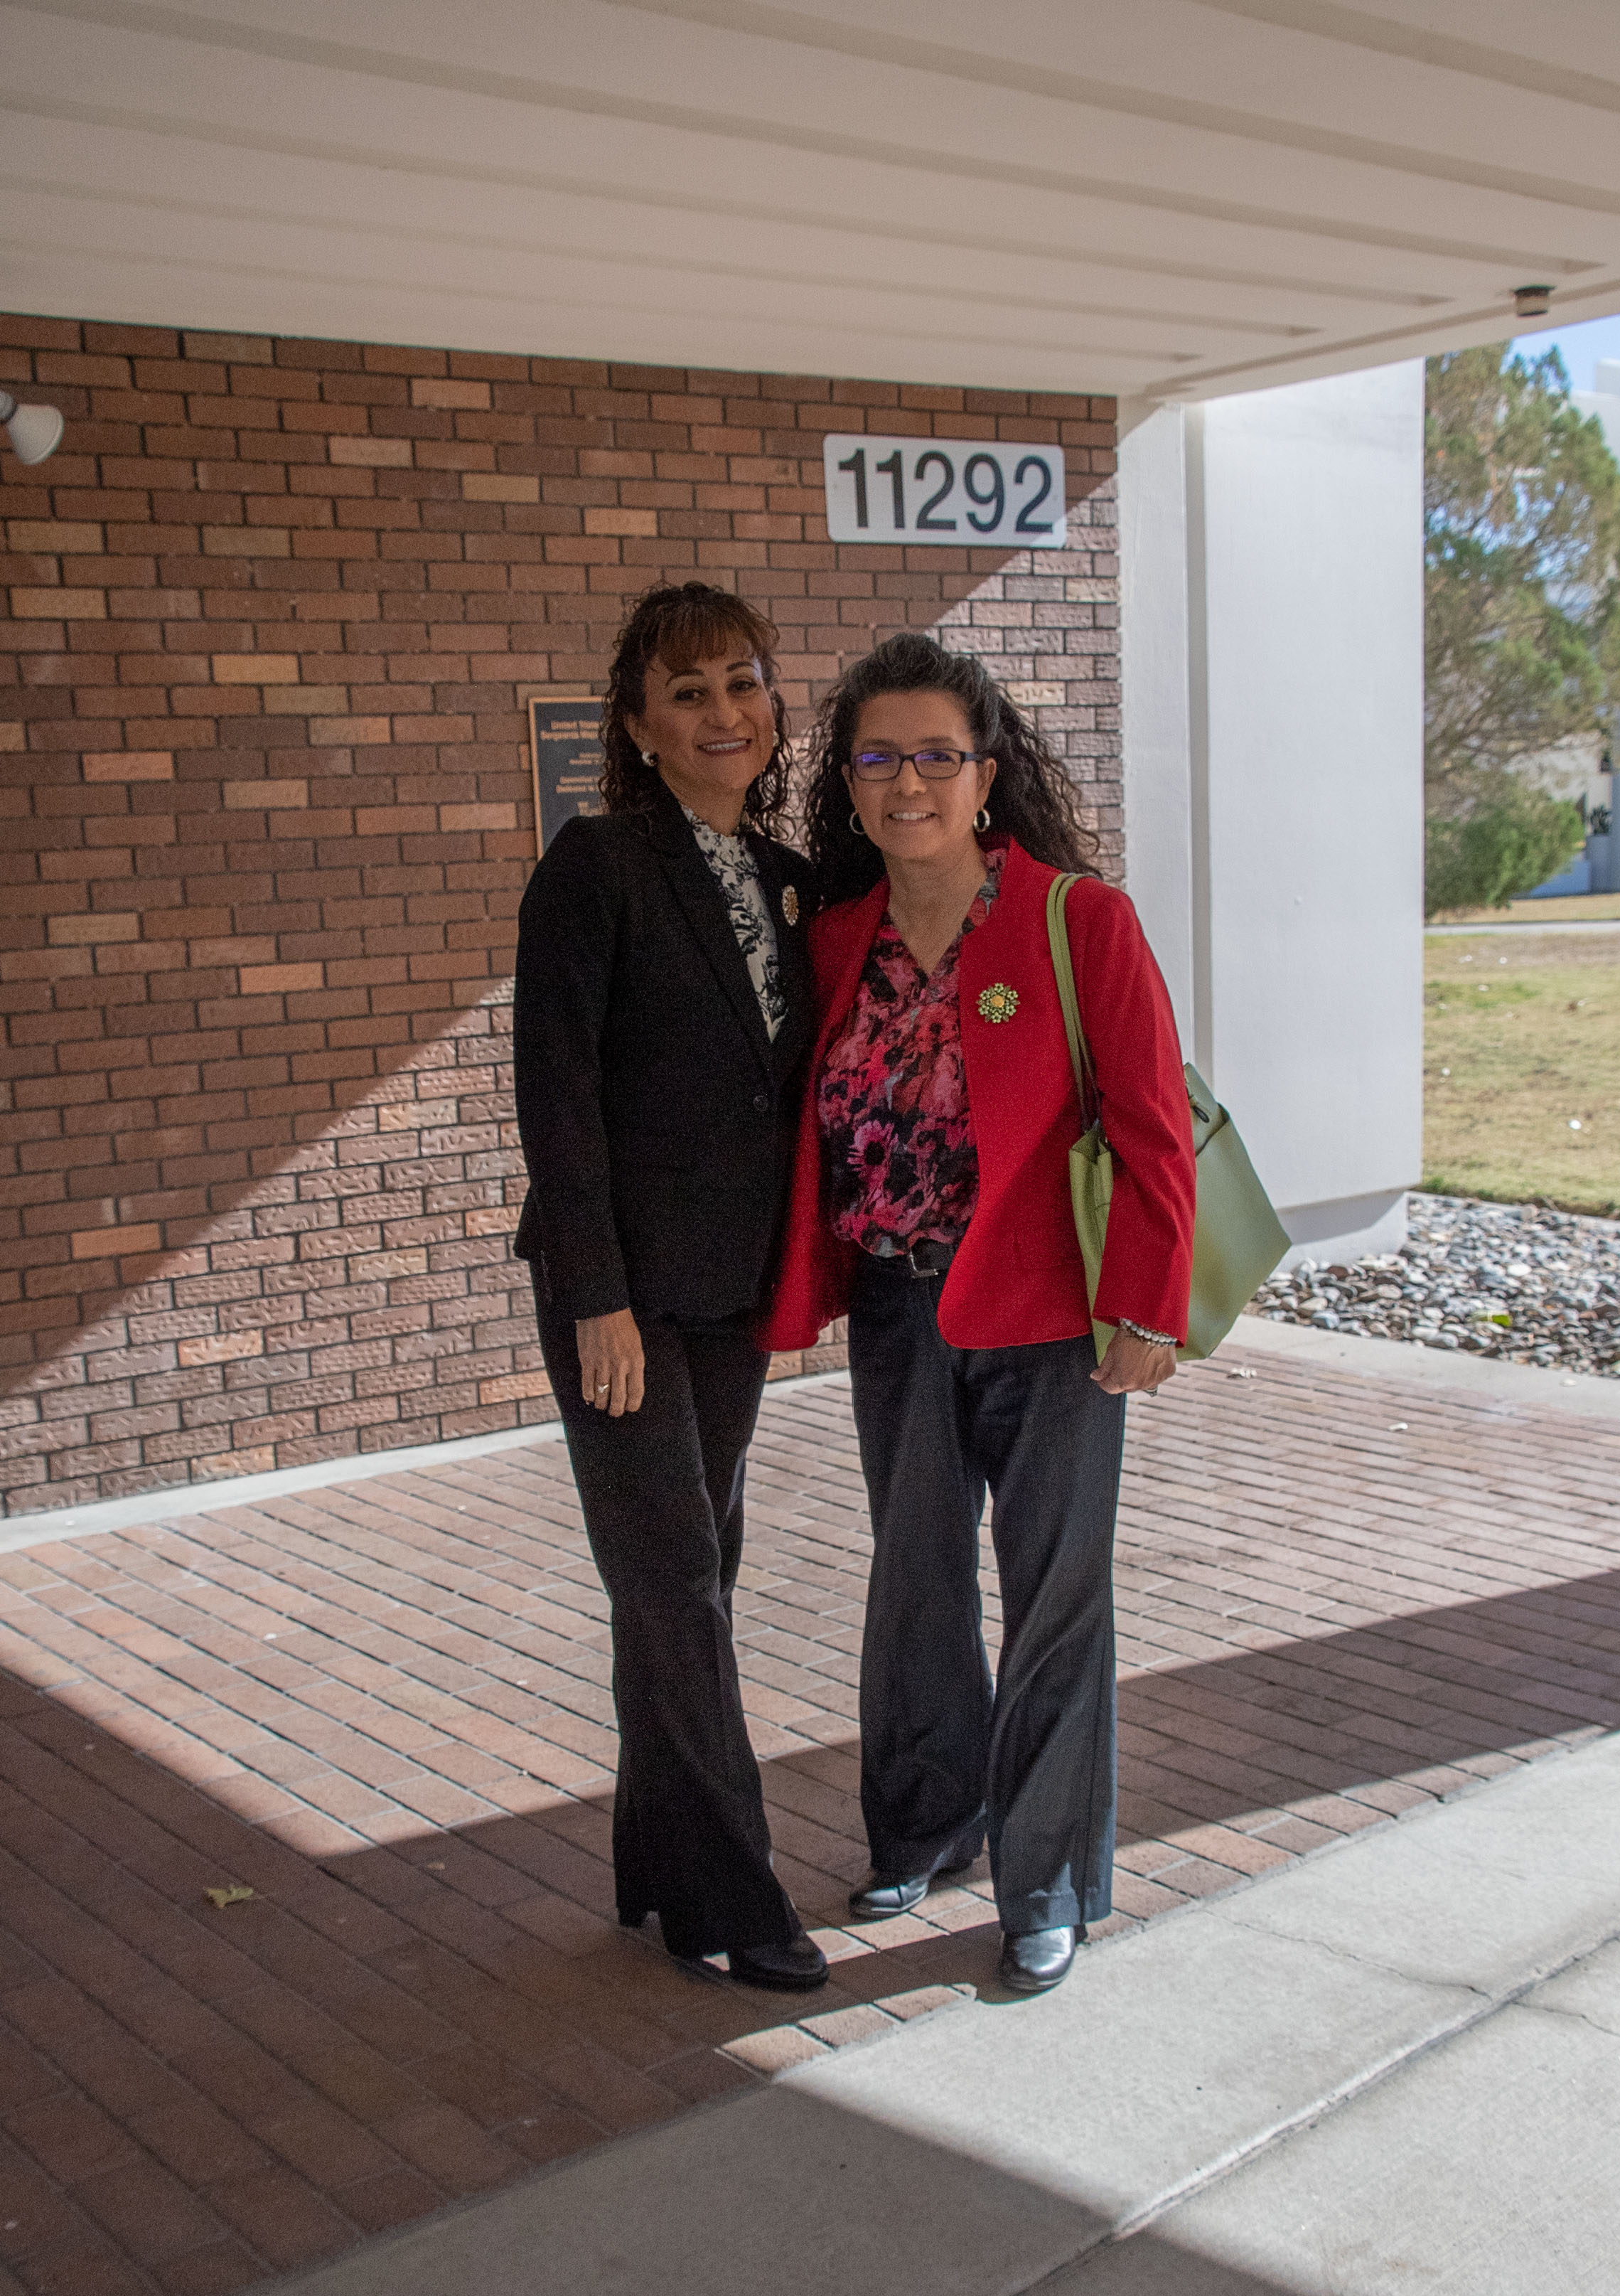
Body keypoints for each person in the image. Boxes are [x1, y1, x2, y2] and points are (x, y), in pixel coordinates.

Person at [762, 632, 1196, 1995]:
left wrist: (1149, 1304)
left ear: (986, 774)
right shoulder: (834, 940)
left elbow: (1154, 1130)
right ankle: (927, 1824)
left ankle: (1050, 1880)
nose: (907, 784)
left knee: (1056, 1597)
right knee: (916, 1581)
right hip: (900, 1313)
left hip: (1054, 1319)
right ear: (849, 781)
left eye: (935, 756)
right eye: (878, 758)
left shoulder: (1077, 923)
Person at [512, 582, 827, 1991]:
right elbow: (557, 1099)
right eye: (685, 691)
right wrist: (596, 1298)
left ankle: (654, 1868)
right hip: (623, 1299)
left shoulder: (776, 873)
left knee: (691, 1578)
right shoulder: (595, 865)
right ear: (636, 721)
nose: (721, 713)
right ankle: (732, 1902)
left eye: (741, 682)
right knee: (678, 1583)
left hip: (730, 1287)